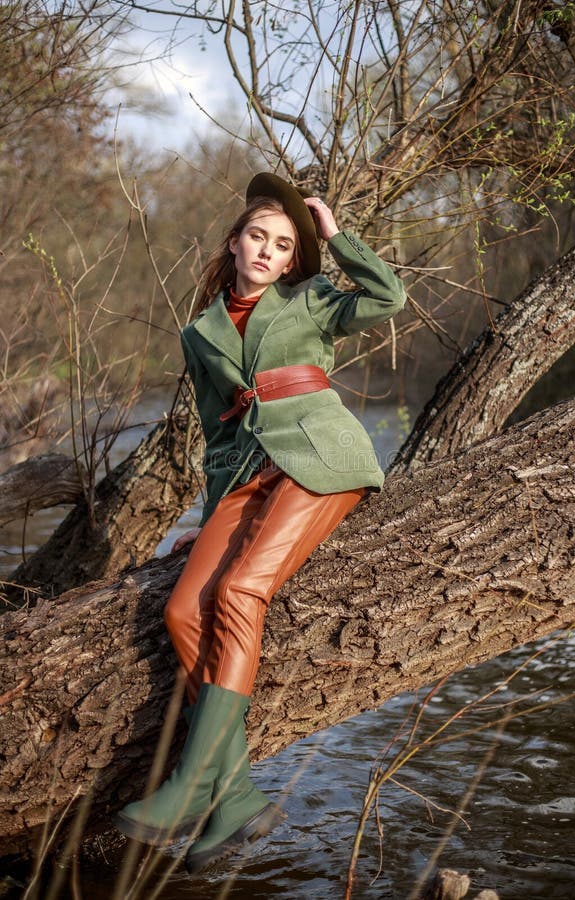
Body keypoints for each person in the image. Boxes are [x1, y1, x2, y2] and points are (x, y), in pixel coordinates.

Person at [114, 172, 406, 874]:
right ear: (236, 241)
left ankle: (193, 783)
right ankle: (237, 792)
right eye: (258, 237)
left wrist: (333, 236)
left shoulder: (311, 297)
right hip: (248, 467)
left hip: (319, 451)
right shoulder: (200, 332)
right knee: (185, 608)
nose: (268, 251)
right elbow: (218, 439)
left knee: (242, 591)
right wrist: (210, 519)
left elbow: (389, 298)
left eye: (282, 244)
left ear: (289, 259)